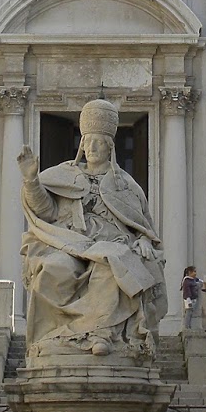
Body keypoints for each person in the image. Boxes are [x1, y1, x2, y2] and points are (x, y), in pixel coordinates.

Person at [17, 97, 167, 361]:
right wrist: (31, 180)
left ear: (110, 147)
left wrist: (143, 239)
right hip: (70, 243)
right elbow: (46, 212)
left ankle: (100, 334)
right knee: (54, 270)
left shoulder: (126, 185)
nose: (93, 146)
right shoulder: (63, 175)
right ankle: (57, 337)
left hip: (112, 245)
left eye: (99, 141)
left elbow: (142, 223)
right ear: (81, 145)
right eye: (88, 141)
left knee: (110, 265)